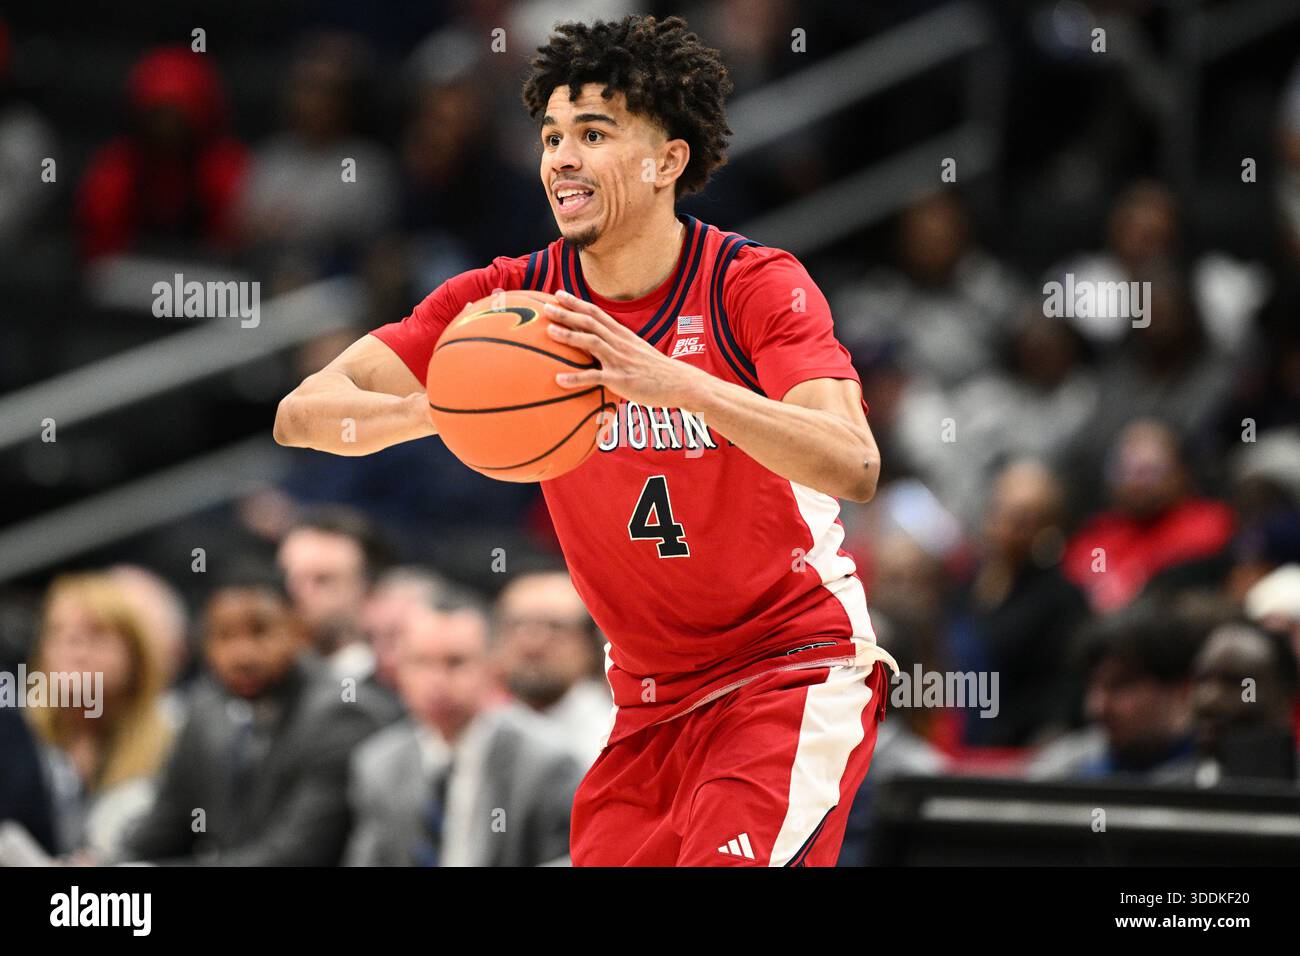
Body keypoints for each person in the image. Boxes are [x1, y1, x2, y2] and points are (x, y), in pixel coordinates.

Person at [275, 14, 896, 867]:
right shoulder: (514, 300)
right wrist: (448, 407)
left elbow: (854, 462)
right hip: (646, 696)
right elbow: (305, 412)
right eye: (551, 136)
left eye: (593, 133)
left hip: (785, 668)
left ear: (668, 159)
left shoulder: (750, 285)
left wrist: (676, 382)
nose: (561, 157)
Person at [120, 576, 380, 865]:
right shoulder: (205, 711)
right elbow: (166, 826)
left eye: (260, 632)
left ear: (297, 629)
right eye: (224, 636)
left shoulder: (340, 715)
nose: (241, 654)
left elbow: (297, 856)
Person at [344, 597, 581, 866]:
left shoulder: (545, 764)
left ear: (493, 667)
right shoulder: (380, 764)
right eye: (421, 662)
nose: (436, 681)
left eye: (455, 662)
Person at [26, 574, 174, 862]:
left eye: (94, 635)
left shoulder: (174, 744)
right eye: (57, 633)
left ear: (135, 657)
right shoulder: (17, 741)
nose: (73, 649)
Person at [277, 508, 403, 726]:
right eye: (291, 580)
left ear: (369, 591)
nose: (298, 595)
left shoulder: (398, 688)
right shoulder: (262, 688)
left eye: (322, 580)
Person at [493, 569, 611, 767]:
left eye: (554, 627)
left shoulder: (612, 739)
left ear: (590, 644)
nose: (532, 644)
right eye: (518, 626)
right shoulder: (481, 728)